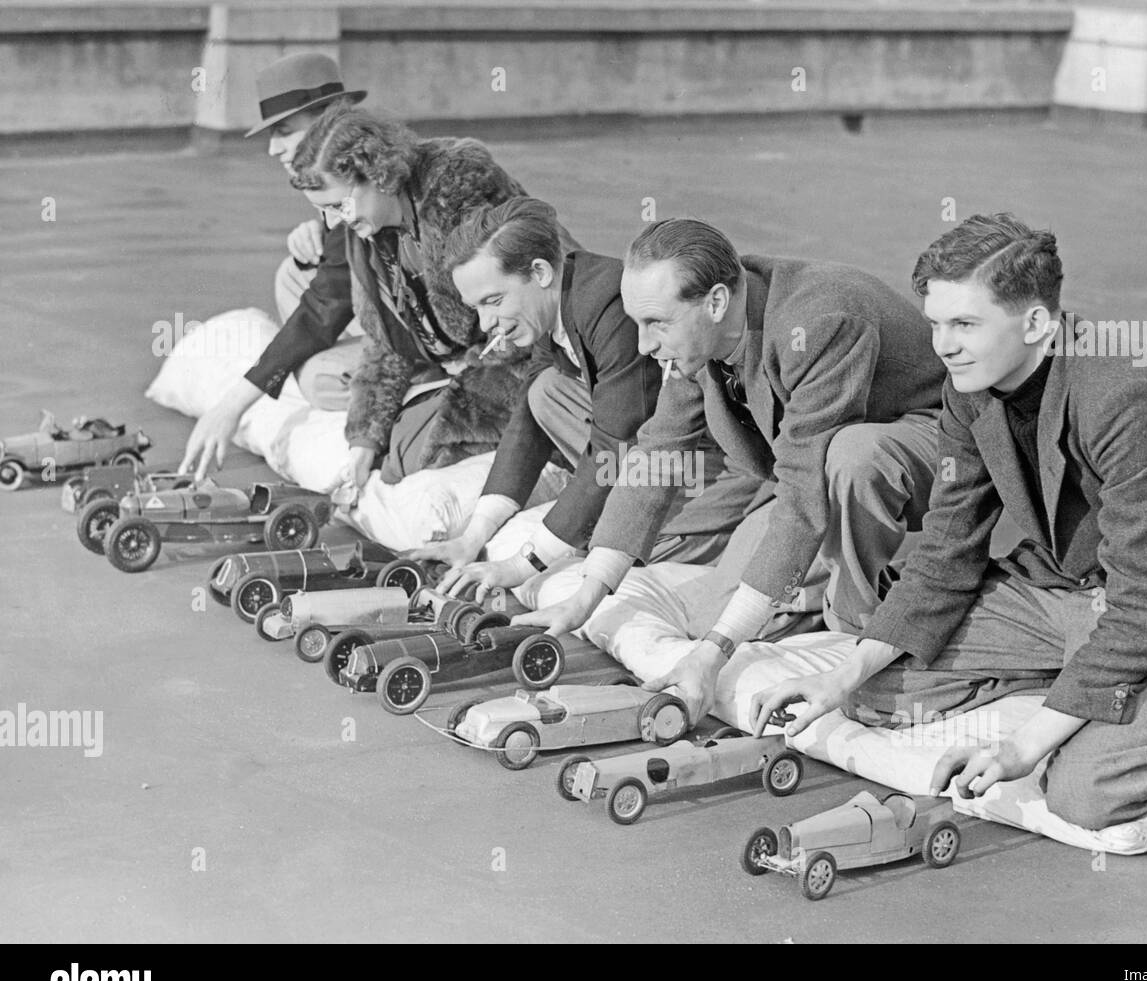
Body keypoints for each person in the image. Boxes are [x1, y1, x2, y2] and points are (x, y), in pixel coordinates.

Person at [751, 213, 1147, 830]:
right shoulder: (971, 384)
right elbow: (949, 549)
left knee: (1086, 794)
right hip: (1067, 584)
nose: (942, 345)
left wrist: (1021, 748)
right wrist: (838, 676)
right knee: (872, 696)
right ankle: (1088, 676)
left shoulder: (1131, 394)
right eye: (936, 324)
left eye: (964, 324)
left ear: (1036, 323)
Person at [516, 218, 948, 724]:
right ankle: (810, 591)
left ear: (716, 302)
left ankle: (858, 633)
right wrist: (584, 596)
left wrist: (716, 653)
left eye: (656, 323)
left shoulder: (820, 320)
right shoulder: (704, 331)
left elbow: (803, 492)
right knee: (707, 618)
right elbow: (659, 453)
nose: (642, 345)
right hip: (813, 467)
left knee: (852, 456)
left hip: (926, 441)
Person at [415, 198, 762, 597]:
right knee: (545, 390)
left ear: (540, 272)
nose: (485, 323)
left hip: (719, 458)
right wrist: (472, 536)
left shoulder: (607, 304)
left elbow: (614, 445)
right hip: (653, 452)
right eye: (476, 307)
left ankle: (726, 525)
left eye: (493, 301)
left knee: (630, 546)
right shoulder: (553, 305)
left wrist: (524, 563)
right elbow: (527, 424)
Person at [289, 103, 579, 500]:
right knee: (385, 448)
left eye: (339, 206)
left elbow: (518, 317)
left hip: (533, 354)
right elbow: (383, 342)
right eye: (324, 212)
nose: (334, 223)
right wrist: (364, 443)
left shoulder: (455, 191)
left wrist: (460, 396)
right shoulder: (368, 237)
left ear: (379, 175)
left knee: (412, 453)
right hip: (453, 360)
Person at [181, 52, 370, 481]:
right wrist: (320, 240)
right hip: (389, 317)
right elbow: (343, 270)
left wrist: (233, 404)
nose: (273, 148)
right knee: (292, 271)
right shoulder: (342, 172)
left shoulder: (362, 182)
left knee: (318, 378)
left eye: (284, 131)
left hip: (436, 346)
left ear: (329, 121)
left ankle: (408, 392)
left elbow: (327, 304)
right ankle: (313, 364)